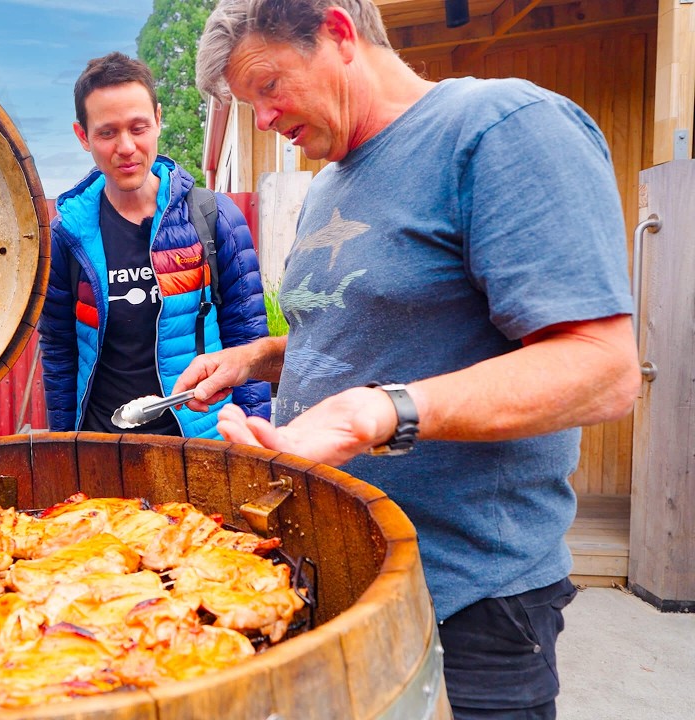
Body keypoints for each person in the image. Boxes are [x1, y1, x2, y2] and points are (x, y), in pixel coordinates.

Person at [178, 1, 640, 717]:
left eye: (268, 86)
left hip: (469, 597)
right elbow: (357, 331)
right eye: (249, 103)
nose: (263, 119)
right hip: (343, 574)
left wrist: (381, 412)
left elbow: (600, 369)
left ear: (337, 32)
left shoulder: (501, 129)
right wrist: (255, 357)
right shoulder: (330, 182)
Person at [38, 52, 273, 439]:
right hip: (103, 445)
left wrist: (253, 445)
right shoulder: (67, 237)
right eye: (107, 133)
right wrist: (65, 447)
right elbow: (60, 352)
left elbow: (248, 342)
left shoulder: (213, 218)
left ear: (158, 120)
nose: (126, 146)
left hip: (201, 442)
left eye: (138, 127)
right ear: (83, 136)